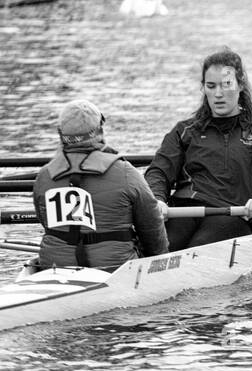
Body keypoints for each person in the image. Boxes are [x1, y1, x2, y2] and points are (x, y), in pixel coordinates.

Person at [146, 49, 252, 249]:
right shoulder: (185, 131)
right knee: (163, 246)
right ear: (204, 88)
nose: (218, 94)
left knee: (200, 247)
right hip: (183, 211)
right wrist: (157, 199)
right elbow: (158, 172)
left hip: (233, 215)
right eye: (211, 86)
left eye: (226, 85)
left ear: (241, 85)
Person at [33, 100, 168, 271]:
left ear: (61, 136)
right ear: (100, 131)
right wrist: (159, 261)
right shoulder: (125, 172)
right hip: (114, 268)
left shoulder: (44, 175)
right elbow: (152, 225)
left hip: (53, 267)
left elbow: (44, 221)